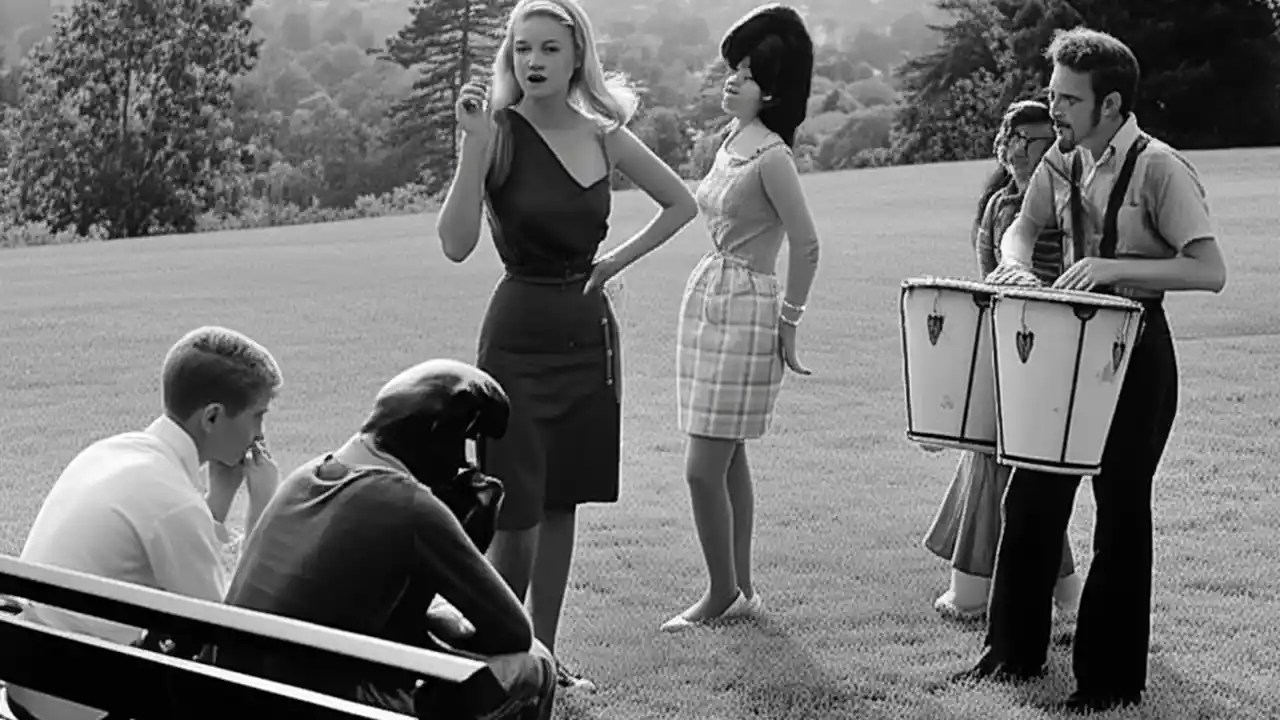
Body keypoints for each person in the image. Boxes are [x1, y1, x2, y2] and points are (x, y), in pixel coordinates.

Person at [954, 27, 1228, 713]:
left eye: (1067, 101)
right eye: (1051, 97)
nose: (1055, 113)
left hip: (1136, 352)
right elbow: (1024, 225)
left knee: (1121, 513)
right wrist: (1016, 256)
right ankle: (1012, 656)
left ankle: (1107, 684)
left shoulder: (1161, 167)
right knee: (1034, 497)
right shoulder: (1062, 160)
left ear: (1110, 104)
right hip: (1063, 347)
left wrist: (1111, 267)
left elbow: (1208, 270)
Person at [435, 0, 699, 689]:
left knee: (561, 504)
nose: (534, 62)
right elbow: (456, 244)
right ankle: (490, 651)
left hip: (587, 338)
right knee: (514, 515)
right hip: (517, 337)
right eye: (523, 49)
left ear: (577, 55)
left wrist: (614, 261)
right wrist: (471, 149)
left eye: (550, 49)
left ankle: (543, 659)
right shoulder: (495, 131)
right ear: (510, 57)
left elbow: (681, 202)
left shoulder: (606, 135)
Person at [210, 359, 556, 720]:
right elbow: (513, 633)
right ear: (439, 438)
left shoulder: (307, 476)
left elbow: (389, 621)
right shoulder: (408, 504)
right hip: (328, 704)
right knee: (533, 662)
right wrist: (463, 528)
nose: (465, 466)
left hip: (244, 697)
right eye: (462, 447)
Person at [6, 326, 283, 720]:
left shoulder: (112, 450)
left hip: (35, 673)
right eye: (258, 416)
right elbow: (230, 630)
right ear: (213, 416)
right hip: (77, 700)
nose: (260, 434)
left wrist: (218, 499)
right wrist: (263, 502)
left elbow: (172, 548)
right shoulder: (173, 501)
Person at [662, 3, 821, 632]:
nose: (733, 80)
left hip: (748, 304)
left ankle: (719, 592)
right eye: (734, 68)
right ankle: (742, 588)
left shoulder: (772, 157)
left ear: (773, 90)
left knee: (703, 466)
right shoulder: (732, 142)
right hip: (712, 296)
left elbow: (806, 244)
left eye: (749, 73)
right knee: (727, 460)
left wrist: (789, 321)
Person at [922, 99, 1084, 621]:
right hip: (1001, 350)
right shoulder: (997, 208)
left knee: (1002, 462)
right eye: (1018, 138)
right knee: (996, 461)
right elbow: (987, 283)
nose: (1026, 150)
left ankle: (972, 590)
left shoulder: (1065, 205)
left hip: (1046, 353)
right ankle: (1061, 594)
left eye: (1040, 141)